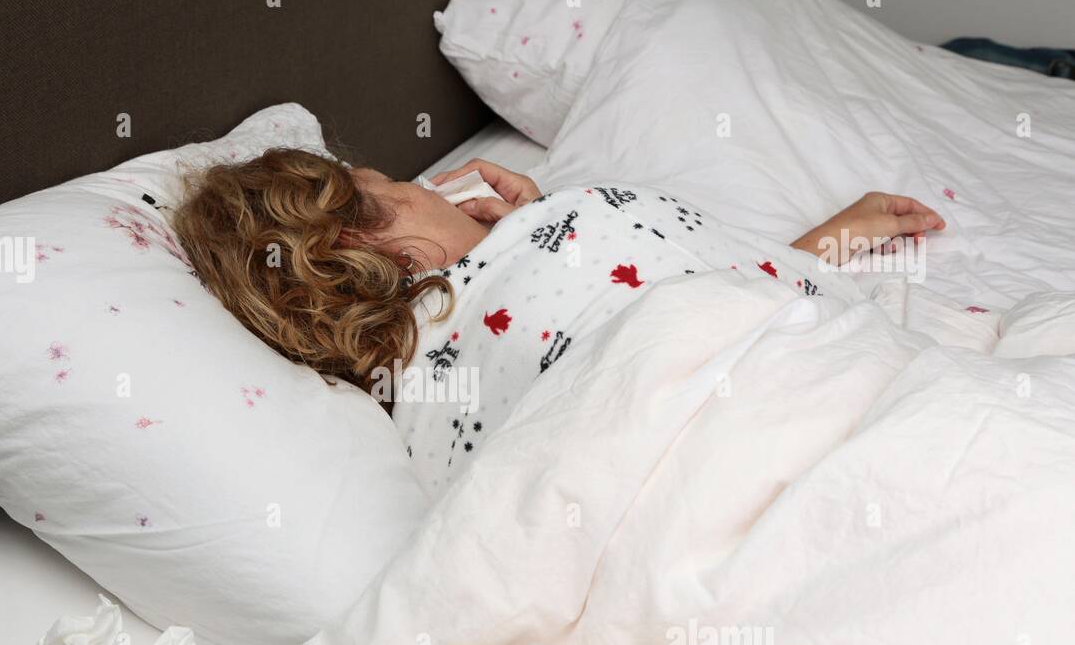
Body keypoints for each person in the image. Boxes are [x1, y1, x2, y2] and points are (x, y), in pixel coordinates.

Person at [173, 148, 944, 394]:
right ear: (377, 231)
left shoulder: (397, 379)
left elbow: (687, 295)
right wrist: (549, 225)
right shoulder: (546, 243)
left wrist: (538, 229)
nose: (435, 187)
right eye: (399, 183)